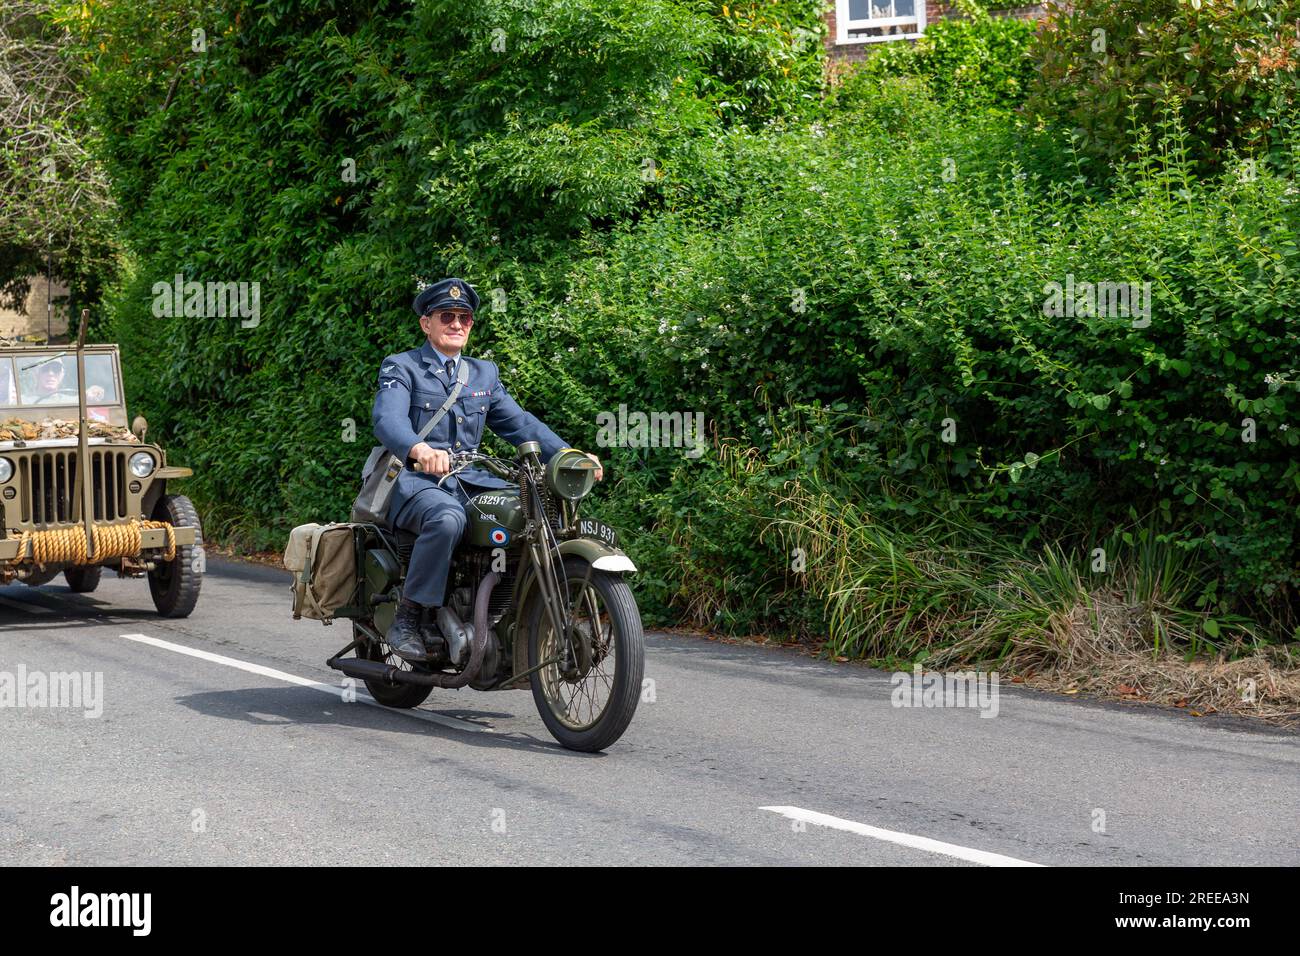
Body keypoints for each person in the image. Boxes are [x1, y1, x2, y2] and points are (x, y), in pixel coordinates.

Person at [369, 277, 603, 662]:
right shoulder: (403, 367)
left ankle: (506, 614)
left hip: (469, 480)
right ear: (426, 323)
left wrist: (569, 454)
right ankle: (409, 618)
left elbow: (521, 424)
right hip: (414, 481)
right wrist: (419, 448)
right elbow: (387, 420)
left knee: (530, 508)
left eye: (465, 318)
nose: (457, 324)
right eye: (447, 316)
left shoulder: (483, 374)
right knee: (446, 520)